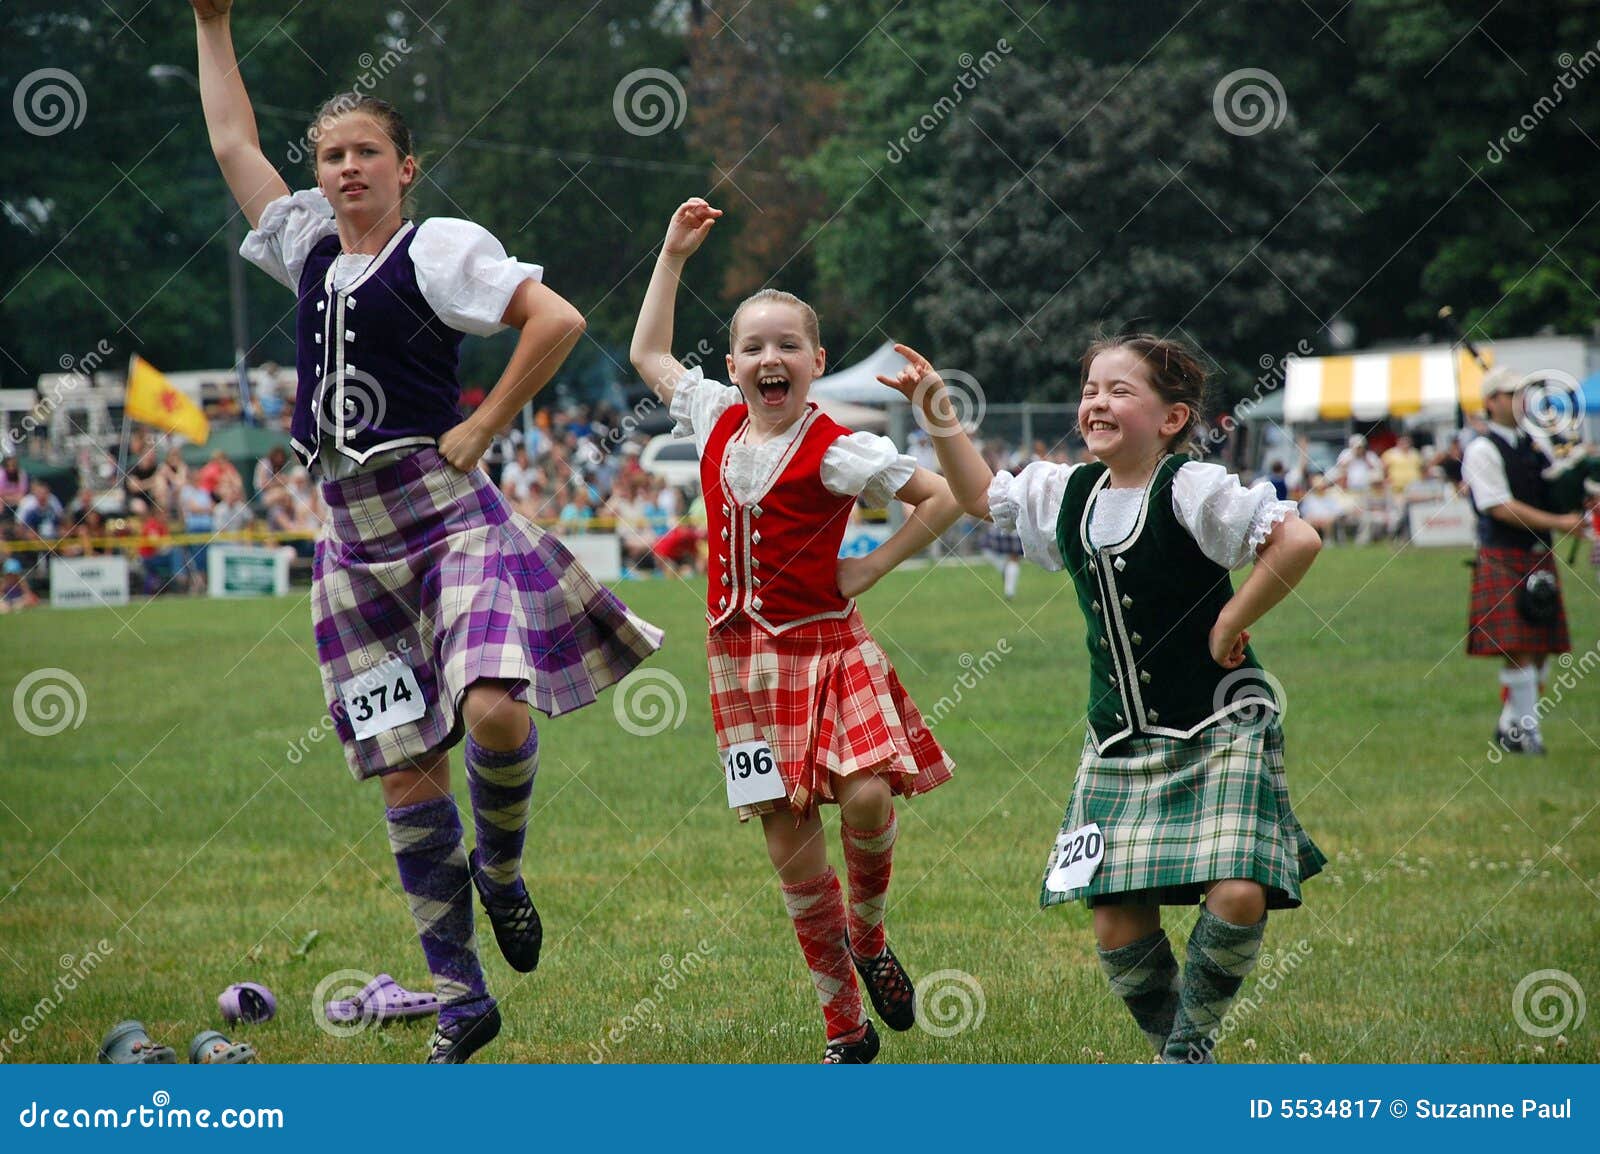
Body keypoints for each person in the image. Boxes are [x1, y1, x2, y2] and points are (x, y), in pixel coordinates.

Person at [190, 0, 662, 1063]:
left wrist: (485, 425)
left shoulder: (439, 249)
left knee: (493, 708)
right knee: (407, 769)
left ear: (405, 167)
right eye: (331, 156)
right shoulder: (308, 246)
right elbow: (230, 143)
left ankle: (502, 867)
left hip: (449, 522)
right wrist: (213, 23)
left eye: (365, 152)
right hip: (350, 542)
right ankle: (459, 999)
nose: (346, 168)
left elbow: (558, 319)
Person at [893, 333, 1325, 1064]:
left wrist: (1230, 620)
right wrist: (938, 410)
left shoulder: (1192, 488)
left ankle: (1184, 1054)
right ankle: (1182, 1059)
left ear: (1171, 418)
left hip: (1221, 721)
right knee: (1115, 921)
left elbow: (1298, 541)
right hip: (1118, 738)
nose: (1096, 402)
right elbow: (976, 496)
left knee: (1239, 893)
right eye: (1090, 389)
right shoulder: (1066, 491)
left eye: (1120, 391)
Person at [630, 198, 960, 1064]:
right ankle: (843, 1026)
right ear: (732, 364)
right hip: (741, 662)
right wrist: (672, 255)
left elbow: (941, 497)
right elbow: (649, 354)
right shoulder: (713, 415)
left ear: (817, 361)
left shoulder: (839, 447)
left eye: (787, 346)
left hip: (827, 647)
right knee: (789, 845)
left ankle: (870, 934)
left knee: (867, 794)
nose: (768, 359)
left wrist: (870, 567)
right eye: (752, 347)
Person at [1461, 368, 1581, 755]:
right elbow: (1498, 506)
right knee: (1520, 650)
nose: (1518, 401)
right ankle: (1529, 734)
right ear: (1490, 401)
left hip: (1537, 556)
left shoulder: (1536, 445)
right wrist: (1558, 523)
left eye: (1521, 393)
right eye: (1510, 394)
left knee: (1541, 648)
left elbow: (1553, 491)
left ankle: (1510, 726)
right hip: (1503, 555)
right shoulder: (1481, 449)